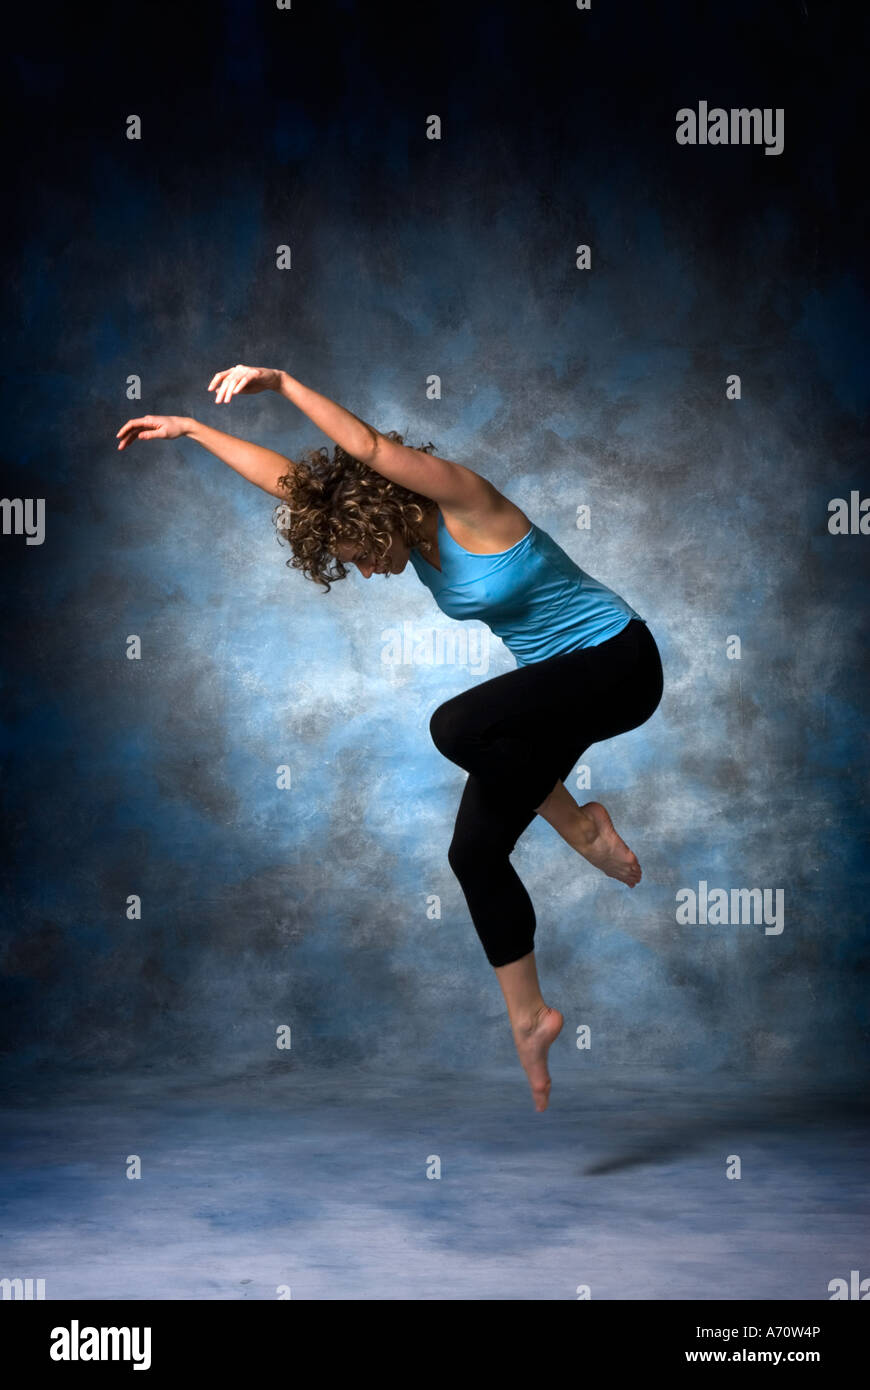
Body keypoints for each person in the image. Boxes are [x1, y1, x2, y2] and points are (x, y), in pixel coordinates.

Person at [116, 364, 663, 1110]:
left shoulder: (469, 502)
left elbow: (367, 446)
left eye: (360, 557)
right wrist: (193, 429)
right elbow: (295, 487)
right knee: (471, 854)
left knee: (456, 724)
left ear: (378, 521)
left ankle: (580, 828)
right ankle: (530, 1019)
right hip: (558, 696)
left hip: (620, 663)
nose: (368, 574)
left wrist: (280, 383)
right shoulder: (396, 536)